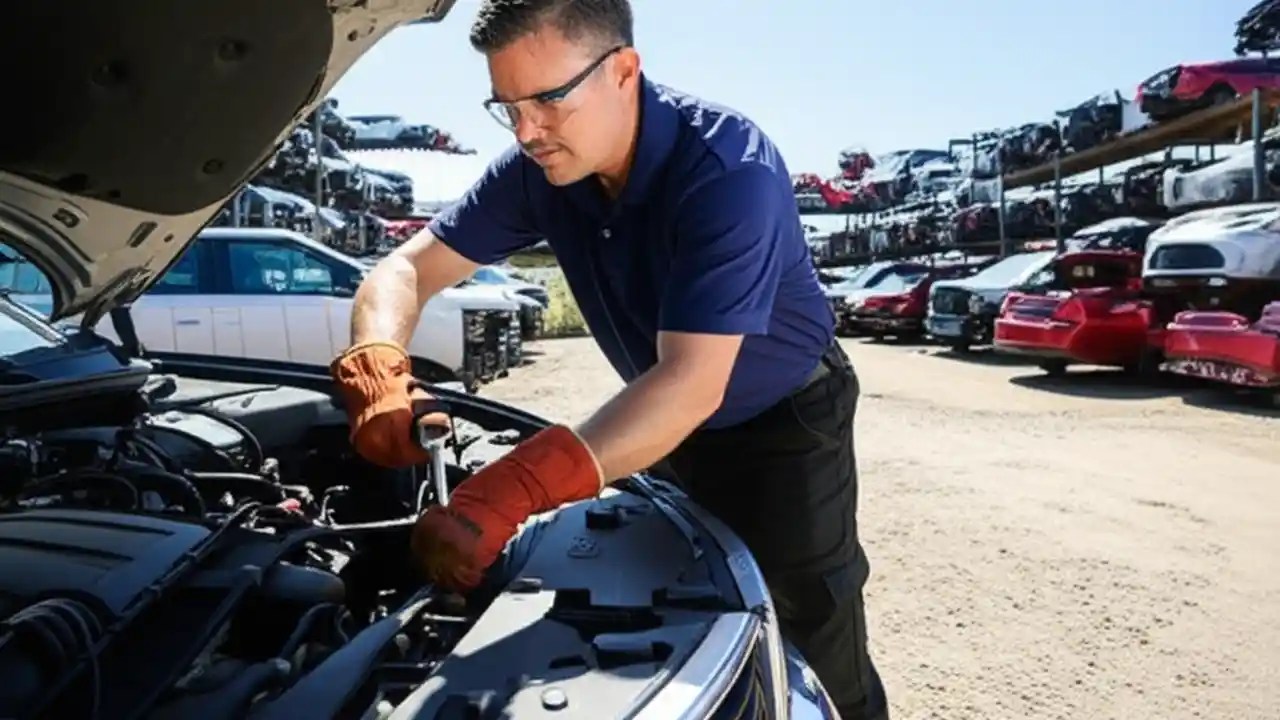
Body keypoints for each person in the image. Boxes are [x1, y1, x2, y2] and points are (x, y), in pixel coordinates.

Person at [328, 1, 888, 717]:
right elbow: (404, 271)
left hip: (781, 424)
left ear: (624, 70)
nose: (527, 131)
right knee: (676, 616)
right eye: (507, 107)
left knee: (812, 634)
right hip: (660, 418)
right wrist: (376, 369)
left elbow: (691, 385)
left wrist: (510, 490)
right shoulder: (537, 169)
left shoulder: (726, 169)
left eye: (548, 100)